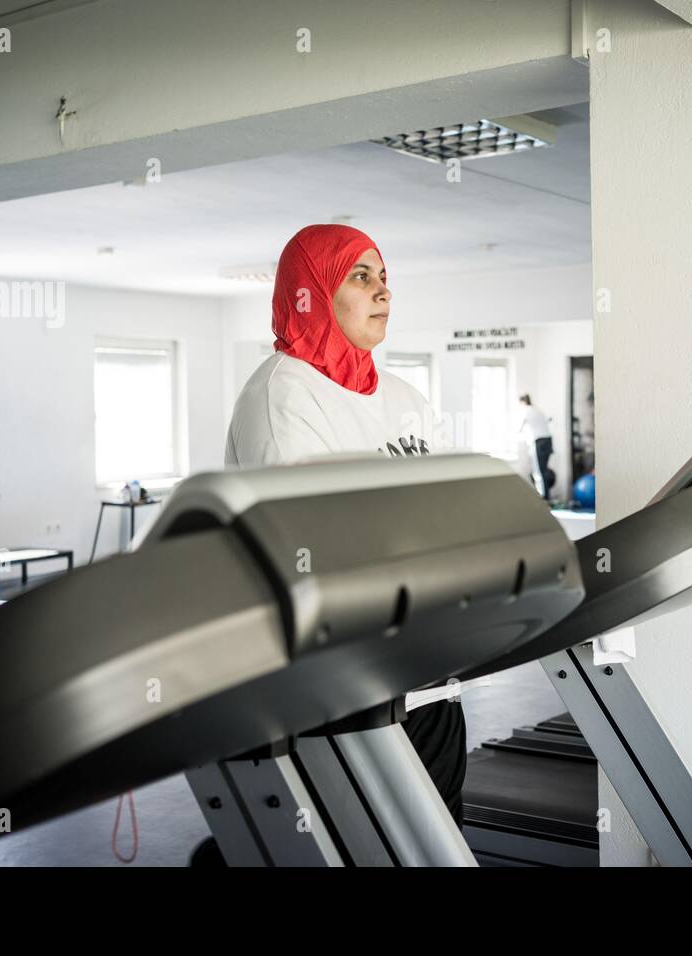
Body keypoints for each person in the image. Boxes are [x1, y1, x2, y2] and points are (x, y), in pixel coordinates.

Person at [223, 223, 467, 827]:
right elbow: (313, 547)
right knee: (359, 841)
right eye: (360, 276)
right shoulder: (283, 395)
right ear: (311, 290)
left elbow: (453, 511)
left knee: (441, 836)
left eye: (383, 276)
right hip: (337, 687)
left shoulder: (404, 398)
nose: (383, 291)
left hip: (425, 678)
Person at [518, 393, 554, 500]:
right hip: (548, 441)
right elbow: (549, 420)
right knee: (544, 470)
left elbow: (519, 427)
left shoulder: (525, 410)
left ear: (522, 402)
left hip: (538, 442)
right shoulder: (538, 410)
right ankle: (547, 497)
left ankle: (543, 498)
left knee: (538, 471)